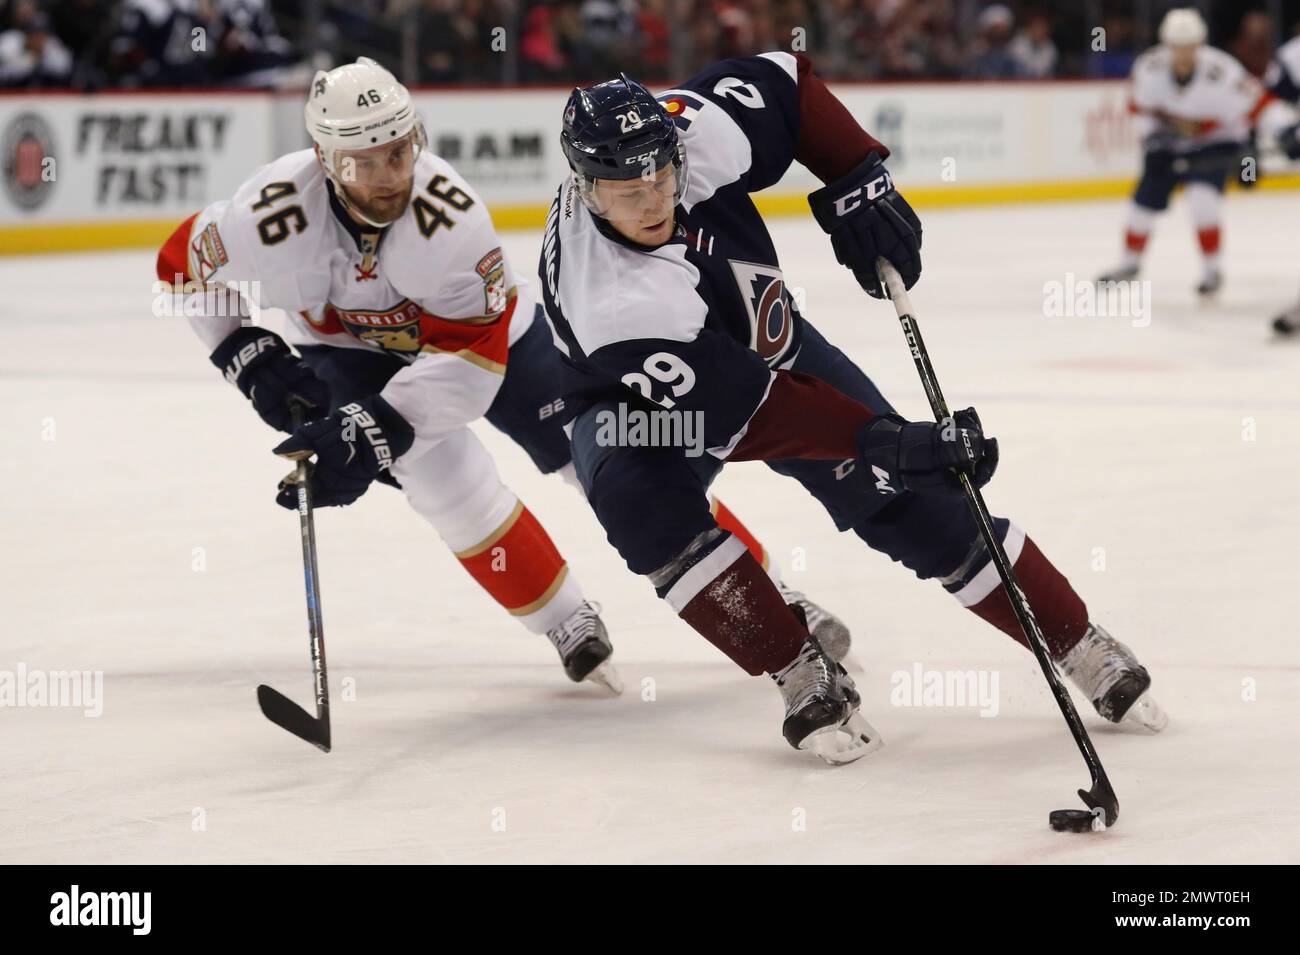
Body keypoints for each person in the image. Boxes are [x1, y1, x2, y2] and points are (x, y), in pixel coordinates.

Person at [539, 50, 1167, 763]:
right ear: (588, 188)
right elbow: (762, 417)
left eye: (661, 173)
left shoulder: (689, 132)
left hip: (766, 351)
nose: (654, 197)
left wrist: (856, 180)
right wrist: (881, 437)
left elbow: (789, 85)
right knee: (642, 508)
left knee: (917, 505)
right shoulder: (615, 302)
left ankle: (1076, 639)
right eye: (628, 187)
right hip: (635, 406)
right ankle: (798, 669)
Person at [155, 57, 849, 697]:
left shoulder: (448, 221)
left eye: (400, 150)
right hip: (349, 353)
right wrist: (243, 352)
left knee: (612, 463)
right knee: (445, 488)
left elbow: (473, 364)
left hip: (497, 342)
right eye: (365, 163)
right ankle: (564, 618)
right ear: (324, 160)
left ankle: (776, 593)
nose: (392, 175)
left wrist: (381, 424)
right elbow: (179, 265)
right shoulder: (263, 218)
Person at [1098, 8, 1271, 296]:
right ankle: (1129, 264)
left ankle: (1211, 271)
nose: (1183, 54)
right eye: (1177, 47)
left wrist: (1250, 155)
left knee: (1202, 200)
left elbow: (1255, 111)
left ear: (1199, 45)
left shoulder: (1223, 71)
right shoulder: (1149, 68)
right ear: (1167, 46)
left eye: (1189, 47)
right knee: (1142, 206)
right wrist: (1152, 136)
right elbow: (1138, 109)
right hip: (1168, 143)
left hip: (1215, 142)